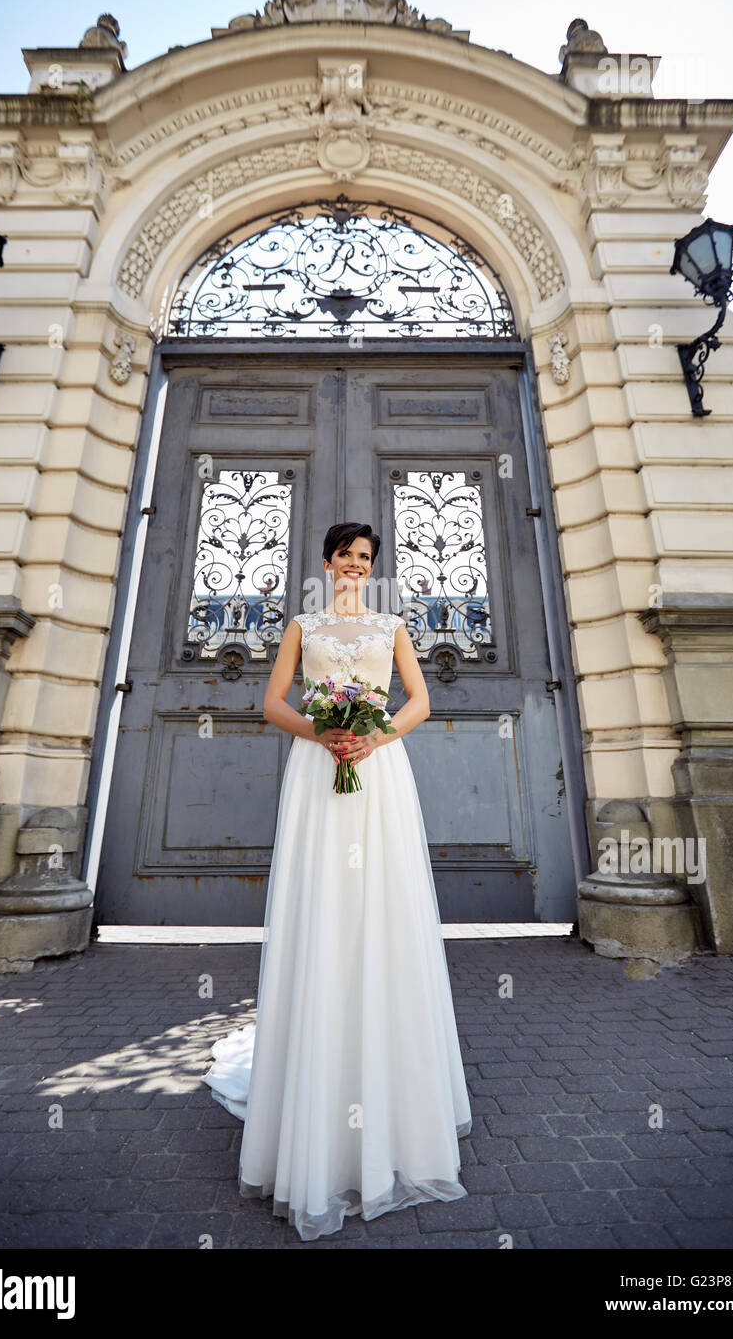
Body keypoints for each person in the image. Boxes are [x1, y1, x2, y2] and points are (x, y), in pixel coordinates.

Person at [203, 521, 471, 1241]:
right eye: (346, 556)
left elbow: (418, 700)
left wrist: (374, 736)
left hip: (379, 772)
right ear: (326, 563)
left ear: (373, 568)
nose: (355, 565)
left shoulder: (392, 625)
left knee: (381, 910)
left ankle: (393, 1082)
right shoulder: (300, 625)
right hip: (318, 772)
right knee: (322, 909)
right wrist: (323, 733)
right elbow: (273, 702)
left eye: (366, 558)